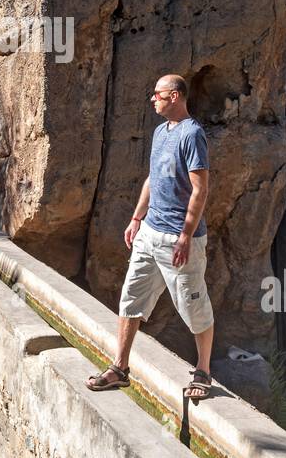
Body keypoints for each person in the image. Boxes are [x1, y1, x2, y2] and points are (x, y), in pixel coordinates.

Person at [87, 73, 214, 400]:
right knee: (130, 298)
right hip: (149, 233)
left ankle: (203, 370)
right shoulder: (160, 132)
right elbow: (152, 179)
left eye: (157, 94)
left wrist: (186, 235)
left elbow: (200, 191)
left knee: (192, 305)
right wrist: (136, 218)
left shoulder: (193, 134)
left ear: (174, 96)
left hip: (178, 240)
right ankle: (119, 368)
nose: (152, 99)